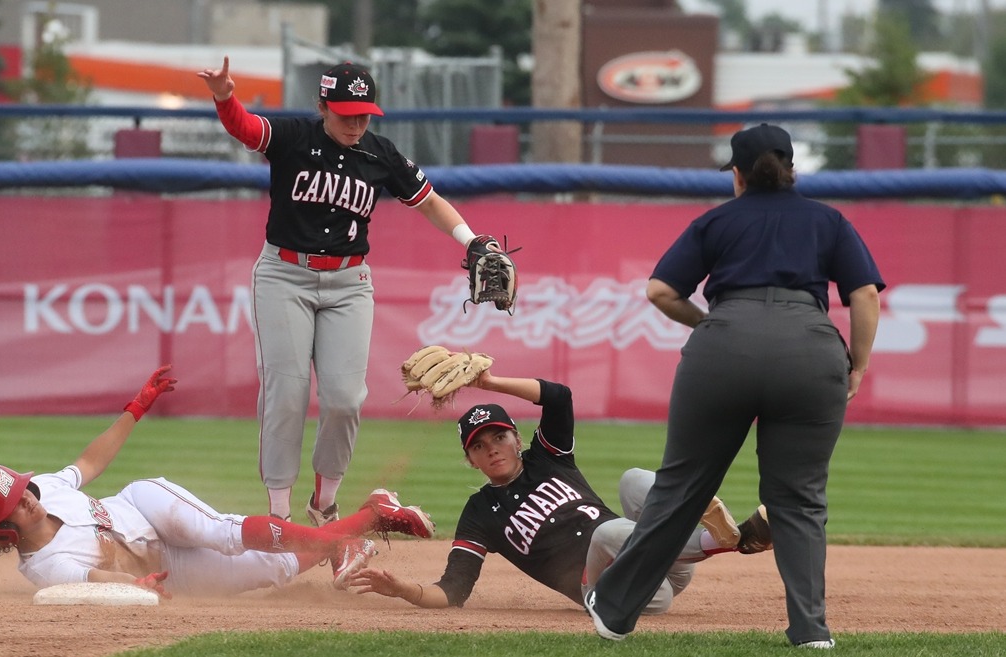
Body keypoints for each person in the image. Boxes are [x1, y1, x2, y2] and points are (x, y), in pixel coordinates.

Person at [585, 123, 884, 648]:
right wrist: (855, 365)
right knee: (800, 501)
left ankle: (613, 613)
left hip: (722, 349)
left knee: (679, 490)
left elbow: (660, 291)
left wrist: (713, 328)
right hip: (810, 353)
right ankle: (811, 632)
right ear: (791, 170)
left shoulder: (716, 220)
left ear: (738, 176)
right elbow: (864, 296)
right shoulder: (828, 220)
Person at [196, 58, 501, 526]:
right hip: (284, 275)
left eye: (363, 114)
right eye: (345, 113)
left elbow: (430, 202)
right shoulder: (295, 137)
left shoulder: (380, 154)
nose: (356, 123)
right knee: (287, 394)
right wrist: (223, 95)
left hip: (349, 282)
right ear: (322, 107)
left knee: (345, 397)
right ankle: (279, 517)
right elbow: (244, 127)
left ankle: (324, 506)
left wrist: (471, 239)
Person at [0, 365, 435, 597]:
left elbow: (90, 462)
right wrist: (140, 587)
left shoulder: (46, 490)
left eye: (21, 491)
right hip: (161, 566)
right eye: (16, 506)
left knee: (221, 533)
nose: (28, 500)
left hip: (144, 505)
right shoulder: (46, 568)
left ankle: (340, 544)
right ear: (3, 532)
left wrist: (137, 406)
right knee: (276, 569)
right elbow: (101, 580)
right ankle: (374, 513)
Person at [347, 368, 773, 610]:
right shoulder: (480, 513)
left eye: (498, 437)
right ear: (470, 460)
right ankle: (731, 541)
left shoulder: (547, 457)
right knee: (608, 533)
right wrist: (401, 589)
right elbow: (453, 591)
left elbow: (559, 396)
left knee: (634, 482)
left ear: (517, 437)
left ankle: (721, 537)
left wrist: (488, 381)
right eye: (479, 446)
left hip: (660, 567)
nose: (492, 449)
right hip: (613, 594)